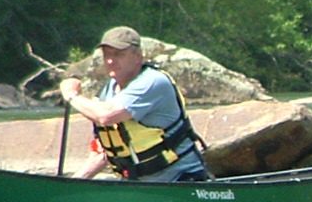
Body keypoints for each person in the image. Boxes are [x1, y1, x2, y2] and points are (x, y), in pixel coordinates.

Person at [59, 26, 211, 182]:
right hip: (139, 185)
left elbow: (106, 116)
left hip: (181, 180)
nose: (110, 60)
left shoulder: (152, 82)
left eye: (118, 54)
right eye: (107, 55)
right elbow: (103, 151)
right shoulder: (108, 91)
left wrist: (71, 95)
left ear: (138, 56)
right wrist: (73, 184)